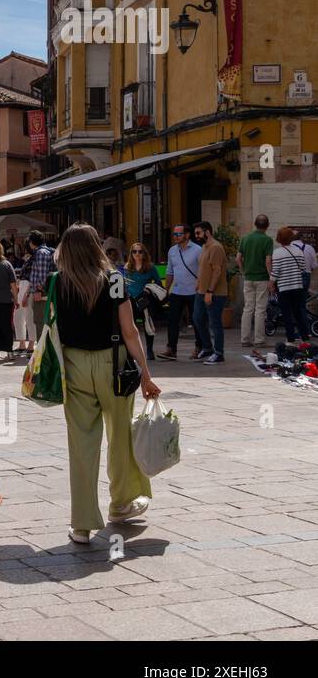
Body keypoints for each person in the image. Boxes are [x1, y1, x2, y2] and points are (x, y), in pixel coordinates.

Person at [51, 223, 160, 545]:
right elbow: (130, 332)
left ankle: (82, 524)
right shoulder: (114, 280)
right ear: (96, 247)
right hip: (113, 363)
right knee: (120, 433)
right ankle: (122, 503)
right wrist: (145, 374)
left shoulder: (58, 281)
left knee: (81, 444)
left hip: (73, 365)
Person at [157, 224, 202, 361]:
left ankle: (199, 348)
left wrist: (201, 288)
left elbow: (202, 271)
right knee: (172, 321)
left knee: (197, 321)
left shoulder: (197, 250)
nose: (176, 237)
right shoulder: (172, 251)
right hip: (177, 291)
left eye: (179, 234)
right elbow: (170, 271)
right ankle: (171, 349)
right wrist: (166, 289)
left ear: (187, 235)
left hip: (194, 291)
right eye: (174, 234)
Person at [192, 220, 228, 364]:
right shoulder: (204, 247)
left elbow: (217, 271)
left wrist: (210, 291)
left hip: (215, 293)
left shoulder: (215, 247)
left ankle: (219, 353)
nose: (196, 236)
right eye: (195, 233)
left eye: (198, 233)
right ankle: (207, 348)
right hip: (201, 291)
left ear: (207, 232)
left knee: (215, 323)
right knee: (197, 319)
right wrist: (199, 283)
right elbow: (203, 268)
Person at [237, 214, 274, 348]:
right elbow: (268, 260)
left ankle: (245, 339)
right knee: (260, 310)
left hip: (248, 278)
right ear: (267, 225)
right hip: (262, 278)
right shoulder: (267, 240)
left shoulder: (245, 238)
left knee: (248, 309)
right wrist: (271, 278)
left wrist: (243, 271)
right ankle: (259, 340)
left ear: (255, 224)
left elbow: (238, 259)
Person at [122, 243, 161, 360]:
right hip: (131, 300)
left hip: (144, 300)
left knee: (148, 325)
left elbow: (158, 282)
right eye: (134, 251)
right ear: (131, 254)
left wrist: (149, 288)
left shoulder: (150, 267)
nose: (137, 254)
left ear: (144, 253)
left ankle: (149, 350)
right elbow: (125, 284)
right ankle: (131, 352)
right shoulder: (127, 267)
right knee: (130, 326)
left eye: (140, 251)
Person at [271, 226, 311, 343]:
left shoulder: (277, 253)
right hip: (297, 287)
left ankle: (291, 339)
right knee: (298, 313)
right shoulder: (299, 251)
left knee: (287, 314)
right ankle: (304, 337)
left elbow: (275, 271)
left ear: (279, 238)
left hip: (284, 288)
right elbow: (303, 268)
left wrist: (271, 283)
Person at [24, 231, 55, 342]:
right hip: (44, 292)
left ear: (32, 242)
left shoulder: (40, 253)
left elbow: (42, 274)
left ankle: (43, 350)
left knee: (40, 321)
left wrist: (38, 290)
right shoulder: (46, 251)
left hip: (41, 293)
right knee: (42, 320)